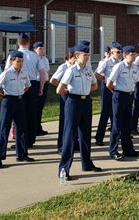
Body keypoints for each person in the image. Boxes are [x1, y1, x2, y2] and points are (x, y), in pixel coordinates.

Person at [56, 44, 100, 181]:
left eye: (88, 55)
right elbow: (59, 89)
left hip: (86, 101)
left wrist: (85, 91)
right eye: (84, 55)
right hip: (73, 102)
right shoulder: (71, 70)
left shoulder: (88, 69)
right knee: (70, 135)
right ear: (77, 56)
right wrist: (72, 92)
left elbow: (95, 85)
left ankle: (86, 163)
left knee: (85, 134)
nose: (87, 58)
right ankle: (64, 168)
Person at [0, 51, 33, 169]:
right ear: (12, 61)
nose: (20, 63)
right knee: (4, 129)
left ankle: (22, 154)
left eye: (22, 61)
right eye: (18, 61)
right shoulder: (6, 73)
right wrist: (3, 97)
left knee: (21, 128)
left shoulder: (24, 73)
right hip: (8, 101)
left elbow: (28, 86)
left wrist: (20, 93)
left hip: (20, 101)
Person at [5, 33, 46, 148]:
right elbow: (42, 72)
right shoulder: (34, 55)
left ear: (18, 42)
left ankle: (20, 141)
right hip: (33, 84)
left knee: (19, 115)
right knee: (32, 113)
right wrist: (41, 87)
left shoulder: (13, 55)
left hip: (19, 84)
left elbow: (7, 71)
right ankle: (30, 139)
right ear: (28, 42)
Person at [106, 45, 139, 160]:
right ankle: (113, 150)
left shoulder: (135, 67)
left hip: (129, 96)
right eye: (131, 54)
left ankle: (128, 150)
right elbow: (109, 83)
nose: (134, 56)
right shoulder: (119, 66)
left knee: (127, 124)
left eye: (135, 54)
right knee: (117, 124)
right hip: (119, 95)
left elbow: (135, 81)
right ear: (125, 55)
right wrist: (116, 93)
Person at [50, 47, 76, 154]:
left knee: (74, 121)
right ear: (69, 57)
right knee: (65, 121)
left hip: (75, 96)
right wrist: (64, 89)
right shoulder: (64, 67)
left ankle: (74, 143)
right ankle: (61, 146)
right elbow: (53, 80)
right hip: (66, 95)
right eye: (74, 57)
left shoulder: (76, 67)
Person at [94, 42, 121, 146]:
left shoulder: (120, 62)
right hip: (107, 88)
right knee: (105, 113)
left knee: (116, 113)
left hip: (116, 89)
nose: (119, 54)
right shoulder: (106, 62)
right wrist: (105, 79)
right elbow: (96, 73)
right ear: (111, 52)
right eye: (117, 52)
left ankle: (117, 136)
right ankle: (99, 137)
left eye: (120, 52)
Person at [34, 42, 50, 136]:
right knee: (35, 107)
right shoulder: (34, 59)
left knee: (40, 107)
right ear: (35, 49)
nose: (42, 50)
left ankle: (38, 127)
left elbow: (46, 71)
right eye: (40, 48)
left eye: (43, 49)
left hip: (44, 83)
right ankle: (34, 127)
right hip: (36, 83)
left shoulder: (45, 59)